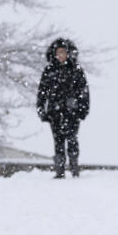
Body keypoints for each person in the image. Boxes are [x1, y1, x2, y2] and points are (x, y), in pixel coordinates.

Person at [36, 38, 90, 179]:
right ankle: (59, 169)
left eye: (62, 52)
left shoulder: (76, 70)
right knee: (58, 140)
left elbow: (84, 91)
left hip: (72, 111)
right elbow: (42, 91)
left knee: (72, 138)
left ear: (68, 53)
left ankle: (74, 167)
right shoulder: (49, 70)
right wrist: (41, 109)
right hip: (54, 112)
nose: (60, 55)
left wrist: (83, 109)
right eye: (57, 52)